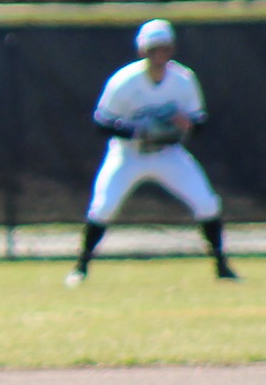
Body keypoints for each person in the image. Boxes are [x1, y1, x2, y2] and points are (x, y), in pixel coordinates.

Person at [69, 19, 239, 285]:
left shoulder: (183, 80)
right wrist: (138, 131)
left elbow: (199, 121)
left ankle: (222, 266)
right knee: (103, 207)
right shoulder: (125, 81)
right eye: (154, 48)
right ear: (142, 51)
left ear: (172, 49)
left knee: (206, 202)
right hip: (128, 155)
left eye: (164, 48)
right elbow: (101, 123)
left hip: (167, 153)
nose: (160, 53)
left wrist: (188, 124)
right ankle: (81, 267)